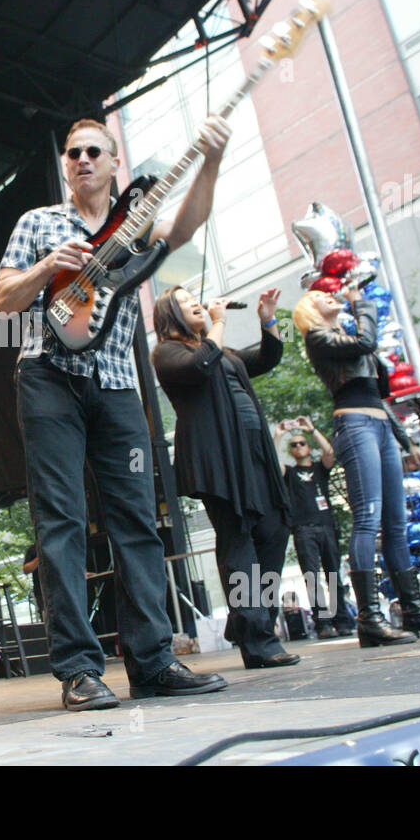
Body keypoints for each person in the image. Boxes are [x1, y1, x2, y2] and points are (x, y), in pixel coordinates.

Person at [0, 115, 232, 710]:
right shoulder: (39, 223)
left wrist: (211, 160)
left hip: (119, 382)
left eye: (93, 151)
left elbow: (189, 223)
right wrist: (49, 266)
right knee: (61, 521)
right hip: (48, 375)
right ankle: (78, 669)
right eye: (72, 152)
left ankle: (152, 662)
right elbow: (2, 300)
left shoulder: (139, 221)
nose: (81, 159)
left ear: (114, 163)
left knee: (137, 519)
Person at [294, 288, 420, 646]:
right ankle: (369, 618)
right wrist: (362, 304)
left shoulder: (347, 338)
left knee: (395, 522)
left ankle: (414, 611)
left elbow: (378, 396)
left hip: (380, 426)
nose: (330, 295)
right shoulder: (318, 337)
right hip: (354, 426)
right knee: (368, 519)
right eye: (321, 295)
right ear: (309, 310)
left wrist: (406, 441)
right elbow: (367, 343)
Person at [151, 285, 300, 669]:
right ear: (170, 316)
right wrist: (218, 323)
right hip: (217, 456)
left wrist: (267, 319)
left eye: (195, 299)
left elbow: (267, 357)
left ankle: (248, 620)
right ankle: (258, 639)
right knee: (239, 538)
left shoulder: (223, 352)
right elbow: (201, 365)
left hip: (253, 452)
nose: (196, 304)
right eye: (186, 303)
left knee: (274, 530)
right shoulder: (167, 353)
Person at [277, 417, 355, 639]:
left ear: (309, 447)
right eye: (294, 445)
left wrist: (311, 429)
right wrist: (280, 434)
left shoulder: (321, 469)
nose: (299, 446)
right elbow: (273, 462)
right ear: (291, 451)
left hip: (326, 526)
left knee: (333, 576)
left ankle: (342, 620)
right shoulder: (290, 474)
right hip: (303, 529)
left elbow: (330, 451)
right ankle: (322, 623)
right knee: (312, 577)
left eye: (302, 443)